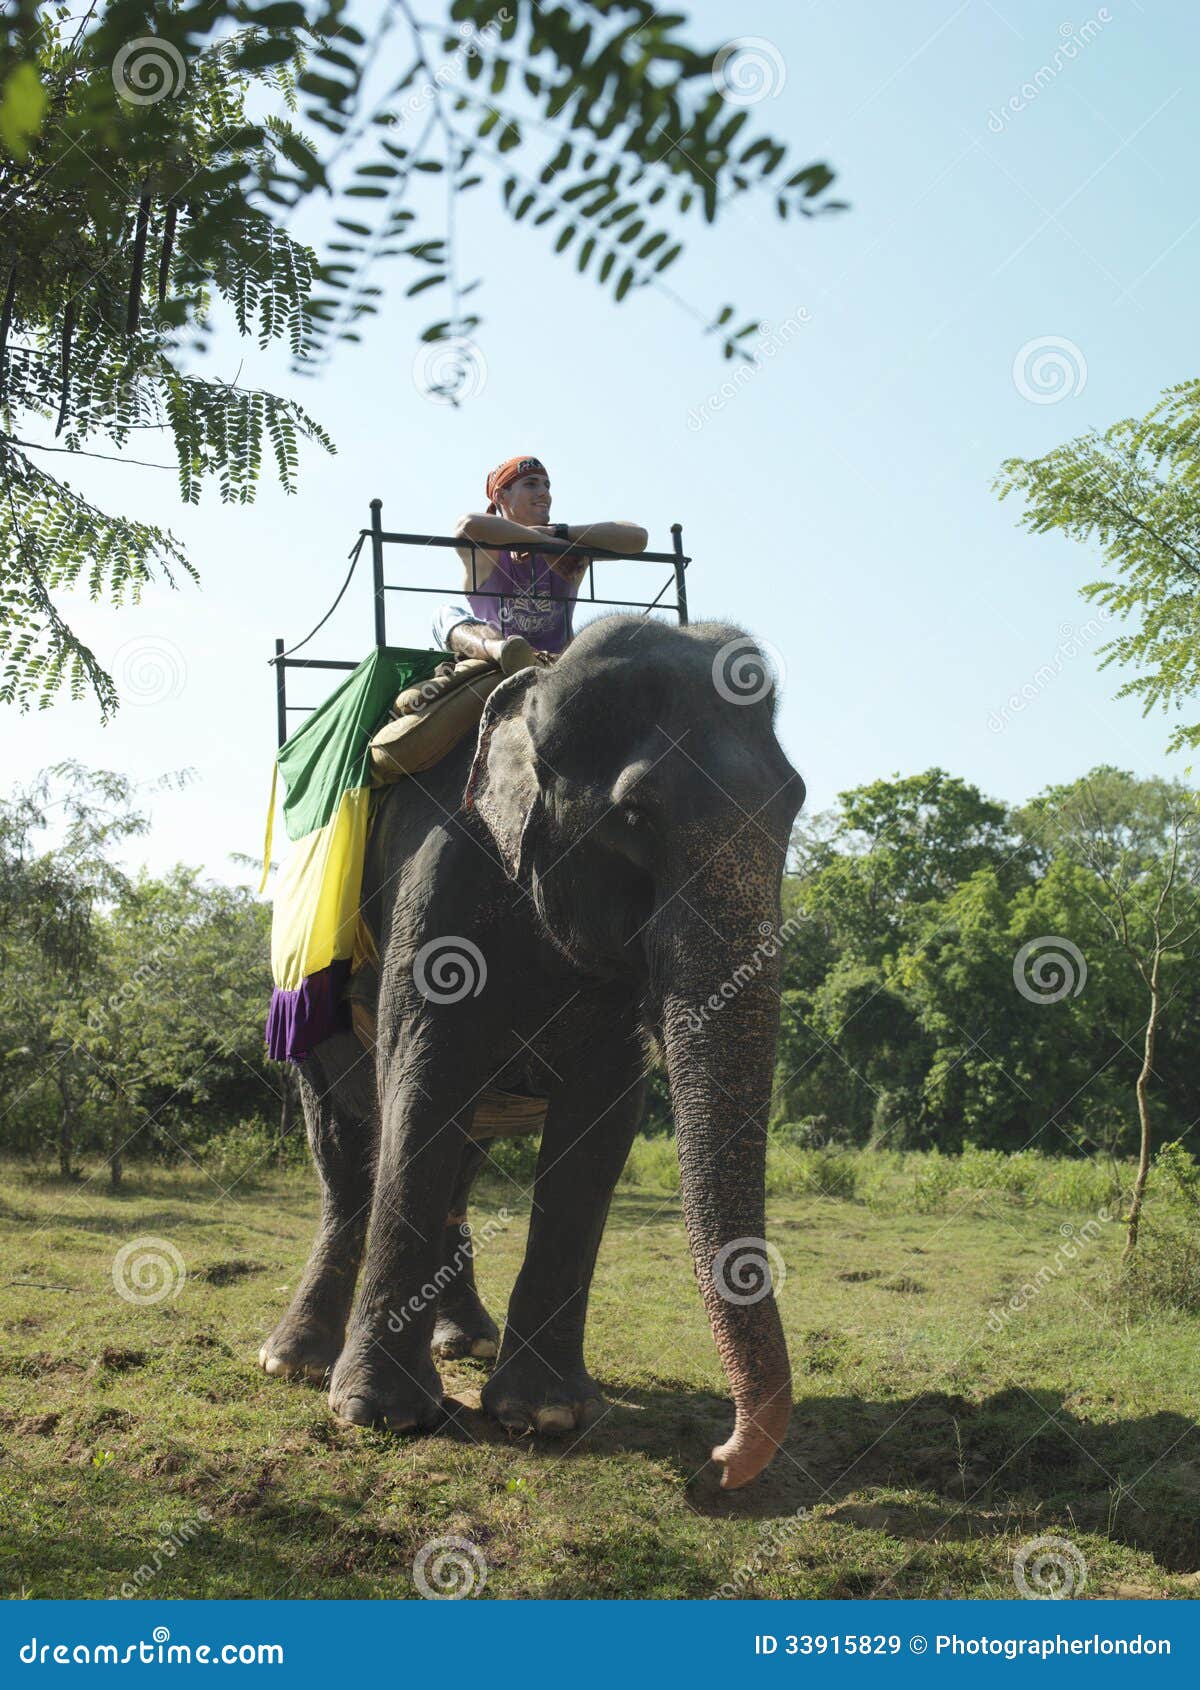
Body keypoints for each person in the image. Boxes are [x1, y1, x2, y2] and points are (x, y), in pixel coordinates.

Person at [432, 455, 648, 668]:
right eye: (531, 484)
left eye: (547, 485)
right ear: (500, 496)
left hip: (557, 661)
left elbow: (637, 537)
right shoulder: (490, 554)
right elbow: (467, 526)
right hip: (496, 658)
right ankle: (500, 649)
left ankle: (510, 652)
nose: (544, 492)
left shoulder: (565, 546)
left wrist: (558, 533)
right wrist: (543, 540)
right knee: (445, 613)